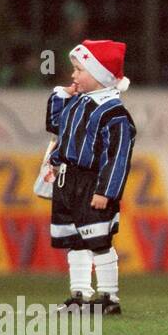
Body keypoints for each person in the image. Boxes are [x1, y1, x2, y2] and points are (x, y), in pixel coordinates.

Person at [46, 40, 135, 315]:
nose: (73, 75)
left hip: (92, 183)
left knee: (98, 241)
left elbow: (119, 156)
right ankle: (80, 295)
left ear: (99, 75)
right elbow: (54, 125)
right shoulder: (76, 103)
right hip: (67, 181)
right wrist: (59, 97)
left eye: (79, 70)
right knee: (75, 240)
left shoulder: (115, 114)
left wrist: (106, 191)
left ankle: (109, 297)